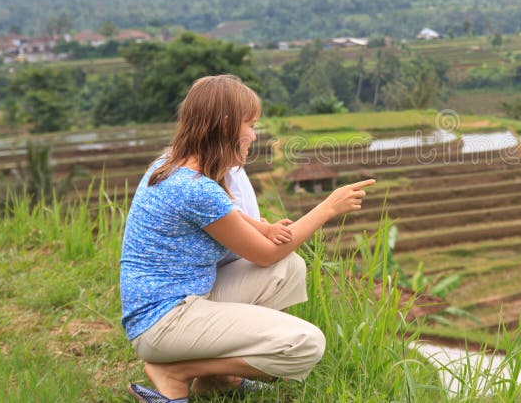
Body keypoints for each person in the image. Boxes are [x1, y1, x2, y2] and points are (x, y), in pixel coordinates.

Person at [120, 75, 374, 402]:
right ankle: (176, 372)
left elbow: (230, 218)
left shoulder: (172, 165)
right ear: (225, 126)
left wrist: (262, 226)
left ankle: (219, 379)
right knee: (306, 344)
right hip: (163, 321)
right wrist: (328, 207)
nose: (253, 135)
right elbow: (264, 254)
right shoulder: (194, 189)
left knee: (288, 268)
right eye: (249, 124)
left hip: (175, 302)